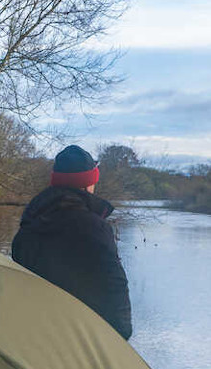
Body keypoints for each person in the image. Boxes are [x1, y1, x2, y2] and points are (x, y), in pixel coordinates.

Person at [11, 144, 132, 339]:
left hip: (35, 334)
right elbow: (114, 286)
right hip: (84, 337)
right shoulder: (95, 228)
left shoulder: (30, 223)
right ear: (87, 184)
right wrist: (122, 336)